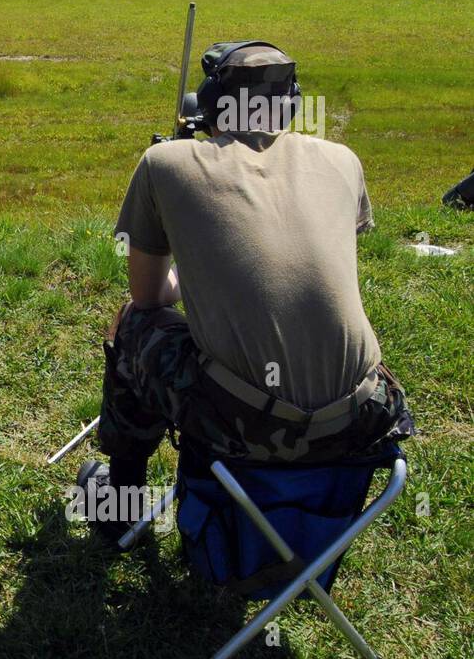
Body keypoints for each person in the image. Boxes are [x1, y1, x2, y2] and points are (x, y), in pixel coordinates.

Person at [76, 42, 411, 544]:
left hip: (245, 425)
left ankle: (118, 506)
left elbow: (149, 297)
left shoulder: (165, 162)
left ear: (209, 103)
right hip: (362, 419)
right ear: (290, 104)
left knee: (133, 326)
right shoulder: (342, 159)